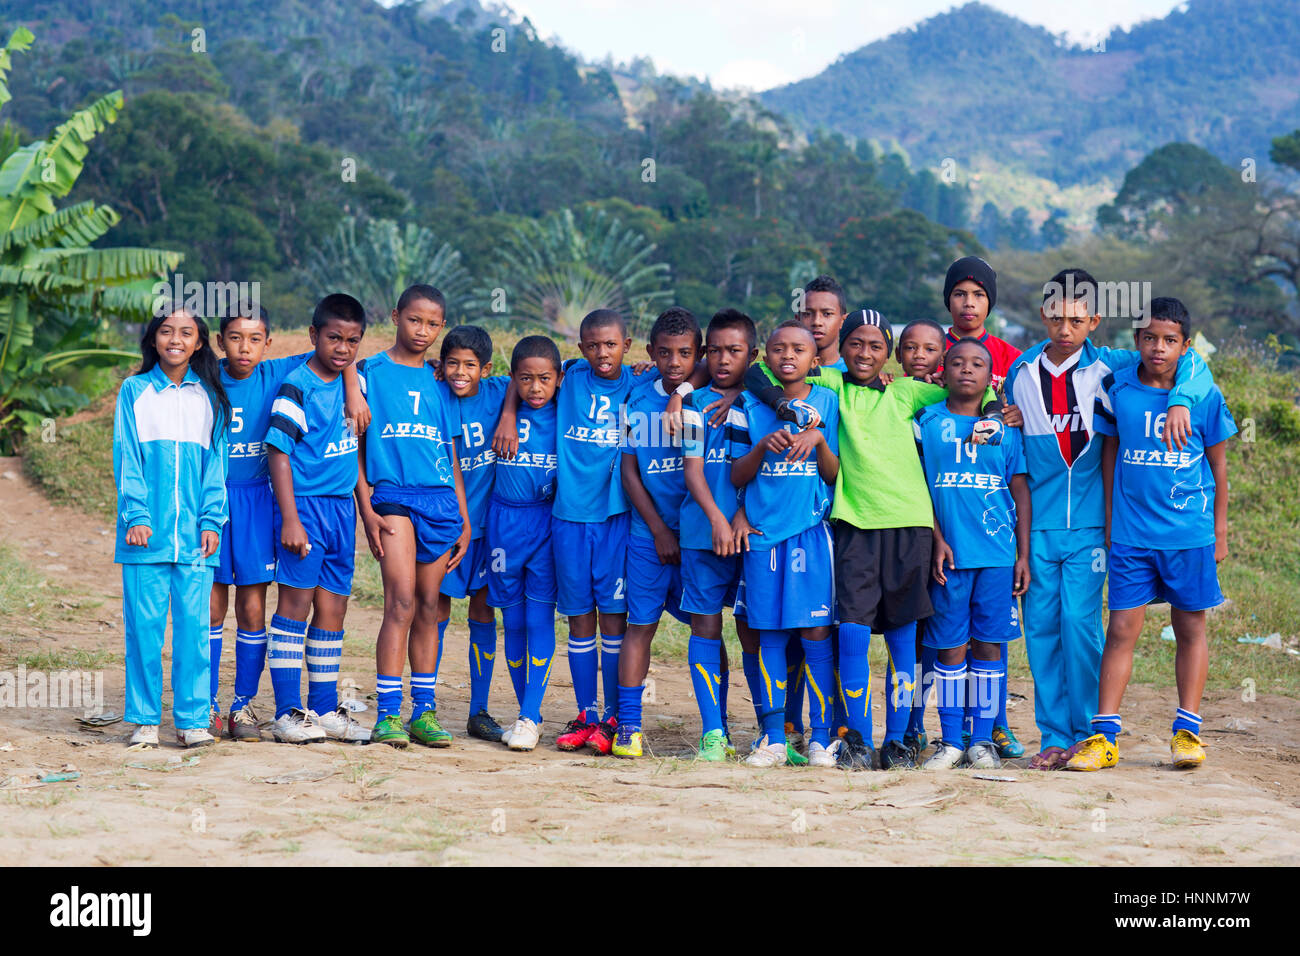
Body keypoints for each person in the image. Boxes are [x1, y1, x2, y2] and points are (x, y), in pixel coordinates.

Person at [744, 310, 1001, 770]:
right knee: (854, 635)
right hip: (854, 528)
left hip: (909, 527)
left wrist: (999, 411)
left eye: (876, 345)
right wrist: (780, 406)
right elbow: (760, 369)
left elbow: (972, 388)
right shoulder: (832, 389)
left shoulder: (905, 392)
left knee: (903, 639)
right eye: (855, 344)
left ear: (890, 356)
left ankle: (900, 740)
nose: (865, 353)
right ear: (840, 350)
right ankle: (858, 738)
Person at [1002, 269, 1216, 770]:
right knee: (1040, 630)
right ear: (1043, 314)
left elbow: (1192, 361)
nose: (1064, 327)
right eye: (1055, 317)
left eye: (1076, 319)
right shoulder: (1021, 371)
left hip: (1096, 528)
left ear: (1094, 320)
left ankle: (1088, 734)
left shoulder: (1113, 367)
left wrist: (1182, 397)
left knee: (1080, 625)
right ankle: (1053, 735)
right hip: (1039, 524)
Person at [1067, 297, 1235, 772]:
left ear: (1185, 346)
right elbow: (1109, 455)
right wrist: (1109, 520)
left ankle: (1187, 733)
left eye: (1169, 340)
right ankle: (1104, 738)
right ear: (1136, 340)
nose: (1158, 348)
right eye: (1149, 338)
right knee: (1121, 629)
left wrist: (1219, 532)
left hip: (1189, 534)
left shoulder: (1203, 395)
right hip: (1133, 536)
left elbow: (1219, 467)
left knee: (1190, 627)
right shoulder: (1118, 388)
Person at [209, 305, 365, 742]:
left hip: (262, 502)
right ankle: (213, 705)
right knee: (214, 604)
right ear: (220, 342)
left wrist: (353, 387)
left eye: (255, 338)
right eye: (235, 338)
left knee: (255, 605)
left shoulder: (277, 369)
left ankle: (246, 705)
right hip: (219, 500)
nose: (245, 347)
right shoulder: (207, 376)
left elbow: (341, 354)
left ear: (268, 343)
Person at [494, 310, 645, 754]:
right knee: (580, 620)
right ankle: (588, 714)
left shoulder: (638, 383)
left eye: (611, 345)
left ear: (627, 345)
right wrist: (507, 411)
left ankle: (615, 718)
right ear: (579, 352)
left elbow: (676, 372)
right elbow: (525, 375)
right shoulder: (570, 379)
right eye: (593, 345)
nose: (602, 353)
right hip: (567, 519)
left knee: (613, 619)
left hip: (614, 518)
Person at [355, 286, 472, 749]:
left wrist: (463, 519)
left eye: (432, 324)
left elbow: (451, 454)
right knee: (400, 602)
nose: (422, 331)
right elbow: (355, 450)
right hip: (393, 498)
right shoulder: (369, 374)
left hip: (440, 501)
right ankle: (387, 715)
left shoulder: (441, 384)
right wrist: (366, 508)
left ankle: (423, 713)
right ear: (396, 316)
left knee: (430, 606)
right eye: (414, 321)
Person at [115, 305, 230, 749]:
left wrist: (211, 520)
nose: (175, 340)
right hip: (144, 537)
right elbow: (127, 459)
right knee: (144, 628)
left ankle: (192, 719)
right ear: (154, 339)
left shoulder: (211, 398)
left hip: (197, 540)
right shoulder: (135, 391)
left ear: (199, 342)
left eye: (186, 333)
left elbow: (215, 468)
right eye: (167, 331)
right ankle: (145, 719)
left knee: (193, 630)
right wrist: (138, 516)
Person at [915, 338, 1031, 770]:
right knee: (949, 648)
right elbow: (919, 487)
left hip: (998, 556)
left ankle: (981, 740)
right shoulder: (926, 422)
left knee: (988, 647)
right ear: (942, 370)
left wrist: (1023, 555)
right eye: (957, 362)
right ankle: (949, 741)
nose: (967, 369)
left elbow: (1019, 489)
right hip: (949, 557)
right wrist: (934, 538)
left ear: (990, 377)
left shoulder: (1008, 430)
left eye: (977, 363)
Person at [731, 323, 841, 768]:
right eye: (778, 349)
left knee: (816, 633)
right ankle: (774, 737)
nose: (788, 356)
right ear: (766, 356)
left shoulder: (828, 401)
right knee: (769, 635)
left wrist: (817, 440)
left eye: (799, 349)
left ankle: (821, 737)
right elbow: (736, 475)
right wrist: (761, 448)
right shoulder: (748, 405)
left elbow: (835, 474)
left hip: (811, 536)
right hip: (761, 539)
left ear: (815, 359)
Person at [264, 293, 369, 744]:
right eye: (333, 338)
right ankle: (288, 712)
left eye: (352, 341)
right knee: (295, 605)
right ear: (313, 336)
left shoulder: (357, 381)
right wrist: (290, 517)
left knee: (334, 606)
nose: (342, 348)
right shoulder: (297, 385)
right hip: (304, 507)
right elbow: (278, 452)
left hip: (341, 509)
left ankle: (324, 708)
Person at [612, 308, 701, 758]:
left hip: (699, 539)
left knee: (706, 629)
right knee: (639, 627)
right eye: (664, 354)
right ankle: (628, 727)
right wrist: (658, 530)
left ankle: (715, 727)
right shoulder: (636, 399)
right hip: (648, 537)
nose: (674, 362)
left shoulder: (709, 396)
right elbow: (630, 474)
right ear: (649, 354)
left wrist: (685, 392)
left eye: (685, 354)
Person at [680, 309, 759, 760]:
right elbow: (693, 471)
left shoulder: (763, 404)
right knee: (706, 626)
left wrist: (741, 515)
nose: (724, 359)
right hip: (702, 533)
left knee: (753, 632)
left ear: (752, 354)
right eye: (716, 351)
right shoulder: (693, 404)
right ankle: (715, 731)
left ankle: (769, 730)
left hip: (752, 534)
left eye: (735, 351)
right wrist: (715, 518)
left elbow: (766, 472)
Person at [488, 336, 564, 752]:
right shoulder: (505, 402)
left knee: (539, 620)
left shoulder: (566, 406)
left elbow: (586, 364)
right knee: (512, 623)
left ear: (558, 379)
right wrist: (507, 411)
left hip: (545, 523)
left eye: (544, 379)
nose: (535, 387)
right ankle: (524, 715)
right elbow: (498, 383)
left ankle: (530, 716)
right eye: (526, 380)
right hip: (504, 522)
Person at [437, 325, 509, 742]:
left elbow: (552, 372)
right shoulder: (436, 397)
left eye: (469, 365)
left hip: (491, 528)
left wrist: (512, 413)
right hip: (447, 525)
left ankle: (478, 710)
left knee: (484, 612)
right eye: (451, 363)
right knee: (435, 610)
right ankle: (422, 704)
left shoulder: (500, 392)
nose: (460, 373)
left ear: (486, 368)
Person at [940, 256, 1022, 392]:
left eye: (979, 295)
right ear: (948, 299)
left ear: (990, 301)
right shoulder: (929, 352)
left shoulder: (1012, 358)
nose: (969, 303)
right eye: (959, 294)